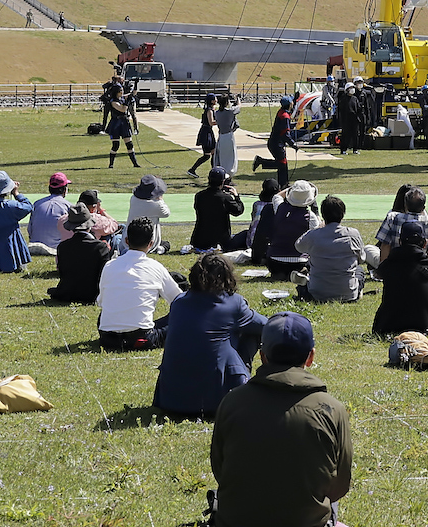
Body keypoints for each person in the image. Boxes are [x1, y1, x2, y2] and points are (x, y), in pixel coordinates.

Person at [208, 311, 352, 527]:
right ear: (311, 357)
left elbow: (220, 469)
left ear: (262, 356)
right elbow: (338, 486)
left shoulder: (232, 401)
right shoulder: (331, 409)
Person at [155, 252, 266, 420]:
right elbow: (267, 326)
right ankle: (242, 386)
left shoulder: (179, 302)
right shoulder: (234, 303)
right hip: (216, 400)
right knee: (252, 332)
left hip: (171, 400)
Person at [97, 217, 182, 349]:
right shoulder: (155, 267)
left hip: (108, 338)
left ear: (126, 241)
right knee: (181, 318)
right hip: (141, 338)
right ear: (151, 244)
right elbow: (179, 301)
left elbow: (101, 301)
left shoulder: (109, 265)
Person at [372, 218, 428, 338]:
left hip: (389, 327)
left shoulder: (387, 266)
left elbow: (379, 272)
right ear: (424, 243)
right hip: (427, 328)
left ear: (400, 242)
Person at [297, 195, 375, 303]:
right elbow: (361, 259)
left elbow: (298, 246)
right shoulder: (353, 234)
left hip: (317, 293)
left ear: (323, 215)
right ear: (342, 214)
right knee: (359, 270)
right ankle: (357, 292)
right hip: (348, 293)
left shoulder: (314, 235)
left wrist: (317, 228)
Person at [48, 204, 113, 304]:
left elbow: (62, 272)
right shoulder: (100, 247)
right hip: (93, 294)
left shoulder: (63, 247)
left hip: (67, 293)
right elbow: (104, 274)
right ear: (89, 225)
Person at [257, 181, 320, 273]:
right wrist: (317, 215)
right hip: (300, 261)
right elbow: (318, 233)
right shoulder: (311, 217)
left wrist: (291, 189)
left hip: (274, 261)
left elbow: (276, 197)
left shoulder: (280, 208)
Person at [375, 185, 428, 263]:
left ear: (405, 205)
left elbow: (385, 246)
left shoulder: (392, 218)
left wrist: (384, 268)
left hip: (395, 264)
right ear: (423, 207)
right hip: (420, 265)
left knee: (369, 249)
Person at [192, 170, 246, 252]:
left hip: (199, 241)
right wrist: (236, 196)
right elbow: (238, 210)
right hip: (221, 242)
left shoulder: (199, 196)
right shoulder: (225, 198)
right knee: (245, 234)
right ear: (223, 182)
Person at [27, 173, 72, 257]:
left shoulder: (37, 204)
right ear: (64, 189)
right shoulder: (68, 206)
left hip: (34, 246)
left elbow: (30, 230)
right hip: (57, 248)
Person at [127, 174, 173, 251]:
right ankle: (159, 249)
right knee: (166, 244)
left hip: (130, 238)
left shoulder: (133, 198)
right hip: (147, 240)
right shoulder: (156, 204)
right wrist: (160, 199)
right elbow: (166, 213)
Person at [104, 76, 139, 168]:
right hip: (116, 123)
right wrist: (127, 102)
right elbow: (122, 109)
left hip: (124, 123)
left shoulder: (122, 98)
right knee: (116, 145)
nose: (122, 92)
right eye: (120, 91)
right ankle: (111, 164)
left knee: (129, 144)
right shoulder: (113, 101)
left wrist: (136, 84)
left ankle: (135, 163)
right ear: (116, 92)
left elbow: (133, 93)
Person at [261, 97, 293, 187]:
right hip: (276, 144)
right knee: (282, 164)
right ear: (289, 104)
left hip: (275, 142)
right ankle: (283, 184)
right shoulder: (284, 116)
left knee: (282, 163)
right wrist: (292, 144)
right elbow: (285, 134)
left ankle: (283, 184)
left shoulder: (282, 112)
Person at [212, 97, 241, 176]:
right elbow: (239, 107)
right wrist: (238, 99)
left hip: (221, 136)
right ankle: (228, 174)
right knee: (230, 157)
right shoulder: (230, 111)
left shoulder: (217, 113)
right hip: (229, 136)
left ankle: (222, 172)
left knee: (222, 156)